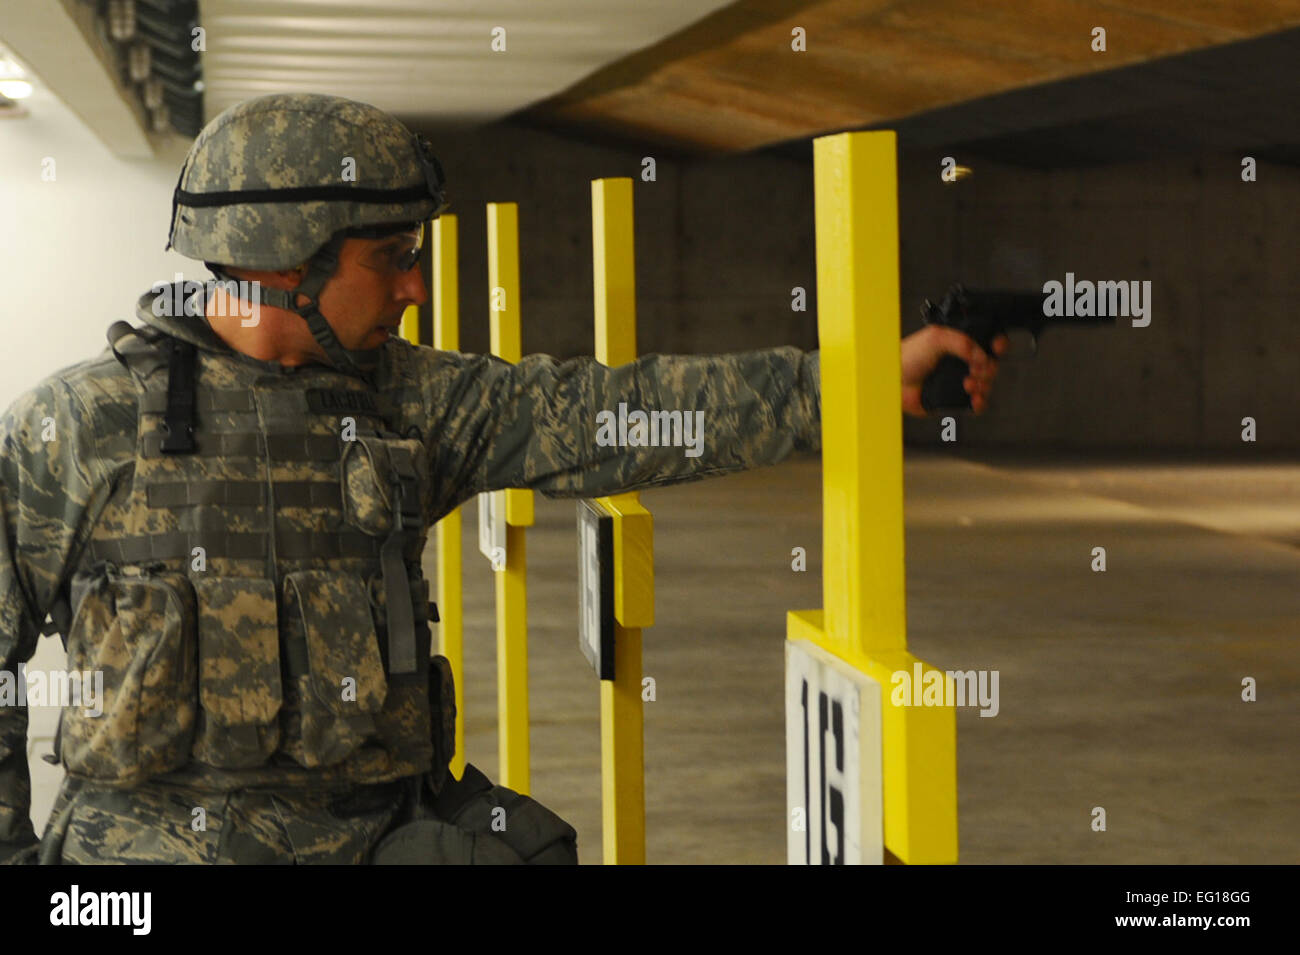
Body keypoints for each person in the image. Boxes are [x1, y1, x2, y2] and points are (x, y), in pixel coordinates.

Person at [0, 93, 1003, 865]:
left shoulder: (417, 402)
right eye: (389, 258)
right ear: (282, 259)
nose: (414, 287)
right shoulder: (78, 428)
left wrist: (863, 380)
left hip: (373, 842)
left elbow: (627, 414)